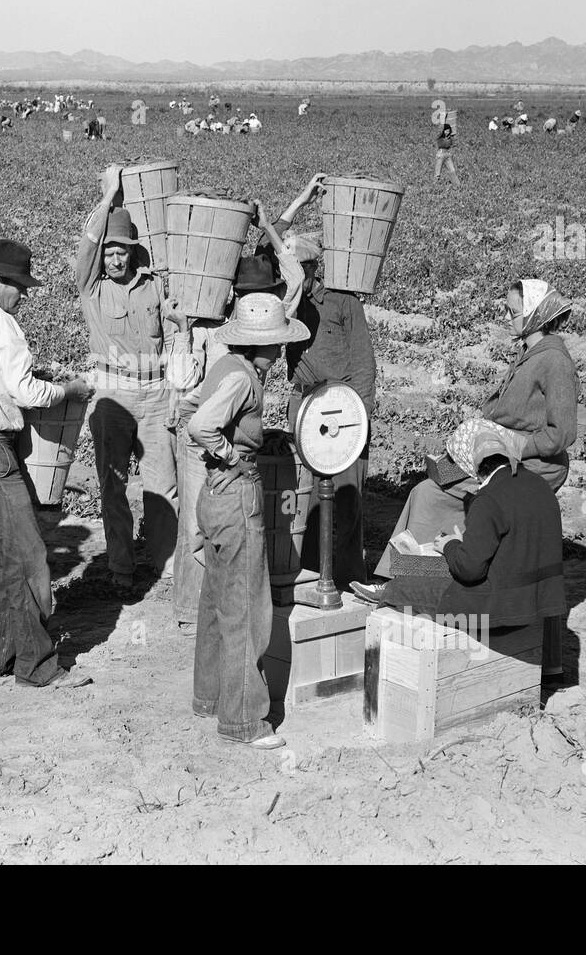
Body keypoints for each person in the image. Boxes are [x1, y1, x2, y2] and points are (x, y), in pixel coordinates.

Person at [365, 279, 577, 676]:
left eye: (515, 312)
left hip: (529, 464)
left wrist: (512, 444)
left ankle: (404, 578)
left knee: (433, 491)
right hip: (497, 454)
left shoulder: (556, 363)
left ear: (535, 316)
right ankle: (399, 574)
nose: (508, 318)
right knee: (430, 486)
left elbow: (561, 435)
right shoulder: (529, 353)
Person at [0, 239, 95, 688]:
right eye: (18, 287)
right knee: (30, 555)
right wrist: (68, 390)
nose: (24, 296)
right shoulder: (2, 324)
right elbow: (26, 392)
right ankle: (38, 665)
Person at [166, 200, 304, 635]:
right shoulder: (210, 325)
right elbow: (186, 389)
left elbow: (296, 276)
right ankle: (192, 609)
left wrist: (270, 224)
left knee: (212, 523)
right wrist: (184, 332)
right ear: (234, 295)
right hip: (202, 432)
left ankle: (213, 607)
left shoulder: (269, 320)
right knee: (194, 523)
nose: (254, 301)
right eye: (246, 295)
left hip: (224, 432)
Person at [188, 293, 309, 750]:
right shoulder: (242, 380)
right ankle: (243, 720)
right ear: (258, 345)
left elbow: (192, 413)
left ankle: (211, 696)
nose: (279, 352)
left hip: (212, 495)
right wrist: (232, 457)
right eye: (274, 344)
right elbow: (202, 424)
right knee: (247, 606)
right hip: (236, 494)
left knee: (216, 599)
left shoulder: (223, 367)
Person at [78, 166, 177, 591]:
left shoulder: (154, 287)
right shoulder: (91, 289)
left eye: (122, 250)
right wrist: (109, 197)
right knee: (113, 484)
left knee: (163, 485)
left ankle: (167, 562)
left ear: (133, 251)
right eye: (109, 251)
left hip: (155, 391)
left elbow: (173, 333)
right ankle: (121, 567)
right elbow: (85, 245)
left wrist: (175, 384)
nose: (115, 258)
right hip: (113, 393)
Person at [381, 424, 565, 639]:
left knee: (398, 589)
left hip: (498, 607)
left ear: (472, 465)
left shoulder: (488, 498)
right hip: (541, 599)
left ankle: (392, 668)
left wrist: (450, 546)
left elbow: (470, 571)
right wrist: (465, 544)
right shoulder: (540, 486)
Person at [283, 177, 377, 594]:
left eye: (297, 270)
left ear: (312, 270)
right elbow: (266, 249)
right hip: (303, 407)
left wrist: (358, 421)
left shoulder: (343, 302)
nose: (290, 277)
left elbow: (364, 364)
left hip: (344, 406)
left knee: (345, 498)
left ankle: (347, 578)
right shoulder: (285, 305)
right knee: (304, 495)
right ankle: (305, 573)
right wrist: (301, 199)